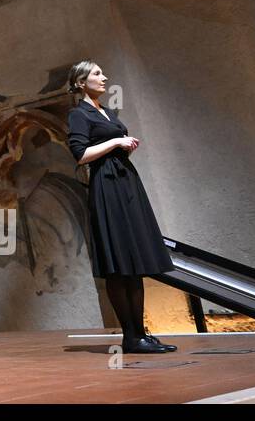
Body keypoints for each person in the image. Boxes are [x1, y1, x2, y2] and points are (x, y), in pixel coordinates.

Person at [67, 61, 176, 355]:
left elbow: (110, 145)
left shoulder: (107, 112)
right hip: (107, 187)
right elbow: (80, 154)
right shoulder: (79, 114)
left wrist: (123, 146)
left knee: (134, 263)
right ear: (80, 82)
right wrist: (116, 140)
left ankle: (141, 333)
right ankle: (130, 336)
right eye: (97, 74)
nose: (104, 78)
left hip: (126, 183)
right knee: (118, 264)